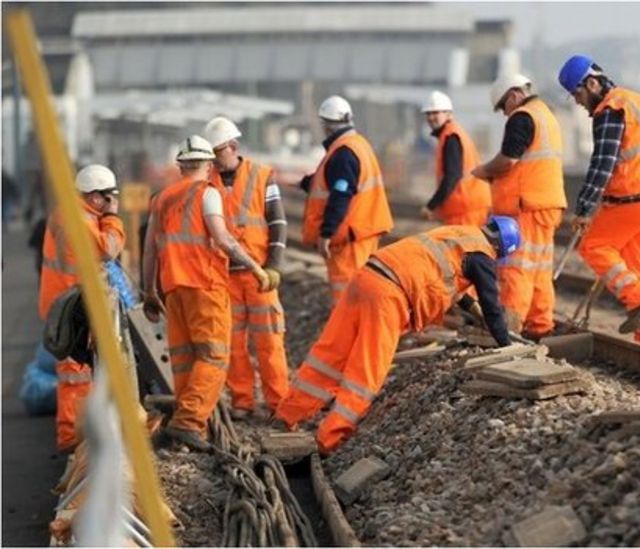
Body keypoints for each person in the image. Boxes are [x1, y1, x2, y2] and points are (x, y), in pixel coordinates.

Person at [274, 216, 521, 453]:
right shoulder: (483, 256)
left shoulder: (459, 234)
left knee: (330, 353)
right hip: (388, 295)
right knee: (366, 372)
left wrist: (472, 310)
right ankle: (330, 439)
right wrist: (507, 345)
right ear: (500, 249)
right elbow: (493, 307)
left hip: (367, 276)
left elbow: (446, 277)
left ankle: (287, 416)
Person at [141, 135, 271, 450]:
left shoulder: (161, 199)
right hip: (205, 284)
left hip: (173, 288)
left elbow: (149, 250)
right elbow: (224, 239)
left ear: (181, 165)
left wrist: (148, 291)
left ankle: (185, 427)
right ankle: (188, 423)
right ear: (209, 165)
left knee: (186, 360)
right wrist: (256, 268)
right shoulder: (207, 193)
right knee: (213, 356)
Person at [557, 55, 640, 346]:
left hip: (635, 197)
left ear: (593, 83)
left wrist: (584, 208)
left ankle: (638, 301)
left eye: (578, 93)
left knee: (594, 245)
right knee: (639, 265)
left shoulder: (610, 109)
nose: (577, 101)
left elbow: (603, 163)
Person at [203, 116, 289, 419]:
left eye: (219, 152)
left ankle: (278, 402)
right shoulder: (206, 180)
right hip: (225, 277)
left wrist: (274, 266)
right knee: (233, 344)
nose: (215, 160)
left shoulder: (262, 175)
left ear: (233, 146)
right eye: (211, 155)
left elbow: (277, 223)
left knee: (269, 342)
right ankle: (243, 401)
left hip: (259, 275)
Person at [472, 73, 567, 340]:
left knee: (517, 269)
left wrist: (484, 171)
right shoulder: (546, 115)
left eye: (504, 106)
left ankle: (510, 330)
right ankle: (540, 326)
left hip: (526, 205)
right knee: (539, 269)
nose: (505, 113)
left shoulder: (522, 117)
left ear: (514, 95)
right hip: (547, 204)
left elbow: (508, 161)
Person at [38, 164, 126, 452]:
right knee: (75, 375)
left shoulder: (68, 213)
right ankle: (72, 439)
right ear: (95, 196)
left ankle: (75, 435)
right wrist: (112, 217)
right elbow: (109, 249)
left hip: (65, 303)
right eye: (107, 198)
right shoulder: (80, 219)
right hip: (71, 308)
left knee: (78, 374)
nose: (110, 203)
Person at [300, 95, 394, 303]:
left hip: (348, 239)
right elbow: (337, 181)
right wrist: (307, 183)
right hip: (363, 232)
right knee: (362, 290)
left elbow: (341, 193)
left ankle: (351, 334)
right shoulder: (358, 145)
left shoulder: (343, 152)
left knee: (348, 297)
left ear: (326, 125)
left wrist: (326, 233)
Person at [419, 90, 491, 226]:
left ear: (448, 114)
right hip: (467, 207)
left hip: (465, 210)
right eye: (428, 113)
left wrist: (431, 206)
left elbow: (452, 176)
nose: (431, 117)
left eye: (436, 113)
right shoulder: (451, 134)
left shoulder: (451, 137)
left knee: (463, 247)